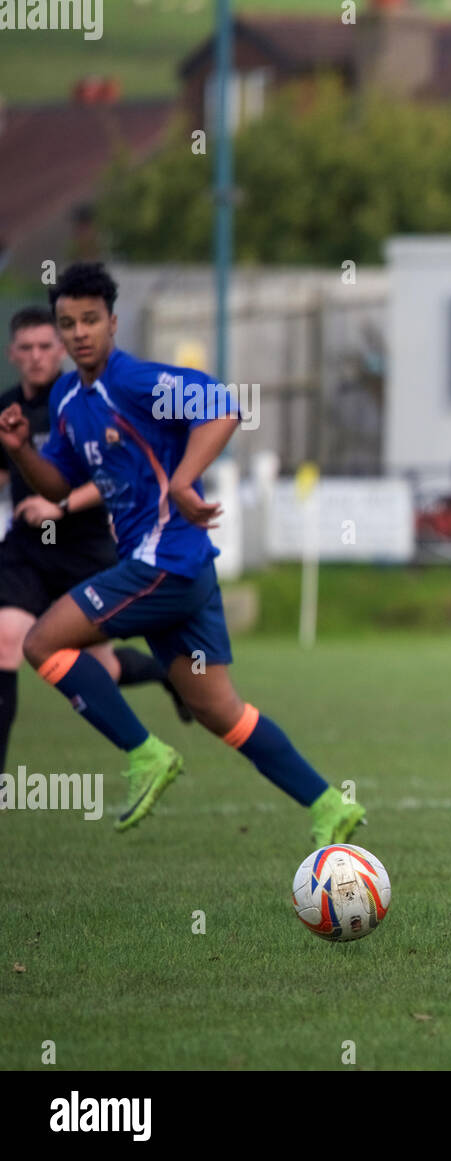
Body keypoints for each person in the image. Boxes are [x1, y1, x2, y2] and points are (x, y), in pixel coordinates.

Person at [0, 262, 363, 845]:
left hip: (165, 561)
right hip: (176, 570)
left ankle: (145, 755)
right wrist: (21, 451)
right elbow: (60, 488)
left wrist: (181, 479)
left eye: (90, 319)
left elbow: (221, 407)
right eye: (68, 323)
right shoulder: (69, 397)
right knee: (220, 711)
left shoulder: (136, 382)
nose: (79, 333)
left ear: (113, 322)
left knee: (42, 641)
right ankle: (328, 804)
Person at [0, 306, 192, 774]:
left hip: (85, 549)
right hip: (28, 549)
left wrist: (59, 504)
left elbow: (112, 473)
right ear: (12, 354)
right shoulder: (6, 407)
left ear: (61, 350)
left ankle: (166, 674)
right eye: (26, 348)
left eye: (46, 346)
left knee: (100, 670)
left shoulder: (79, 401)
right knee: (6, 640)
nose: (37, 356)